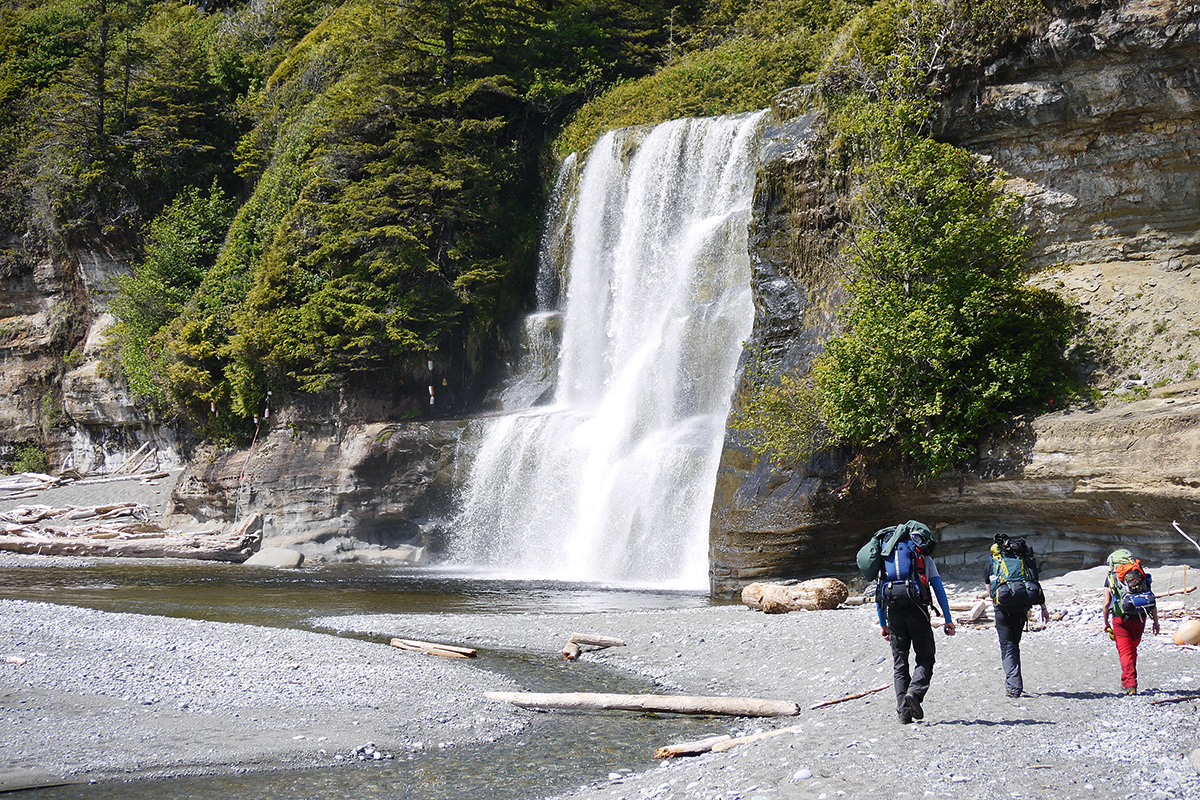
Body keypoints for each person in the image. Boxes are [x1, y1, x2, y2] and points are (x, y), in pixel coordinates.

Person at [875, 523, 956, 724]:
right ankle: (915, 693)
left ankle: (904, 714)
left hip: (894, 613)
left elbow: (879, 595)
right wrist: (947, 619)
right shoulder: (923, 558)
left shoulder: (885, 559)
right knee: (926, 658)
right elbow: (938, 589)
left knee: (900, 664)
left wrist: (882, 623)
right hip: (918, 612)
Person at [986, 534, 1049, 699]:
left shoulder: (994, 562)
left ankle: (1013, 687)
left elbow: (989, 590)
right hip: (1021, 608)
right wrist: (1043, 608)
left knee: (1007, 646)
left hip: (1002, 609)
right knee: (1014, 644)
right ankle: (1015, 684)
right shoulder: (1025, 561)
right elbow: (1035, 581)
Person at [1102, 549, 1161, 695]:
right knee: (1132, 648)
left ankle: (1130, 684)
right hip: (1140, 617)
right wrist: (1156, 622)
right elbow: (1151, 598)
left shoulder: (1112, 577)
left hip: (1120, 618)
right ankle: (1127, 680)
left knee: (1125, 651)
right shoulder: (1140, 574)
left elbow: (1106, 603)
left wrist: (1105, 622)